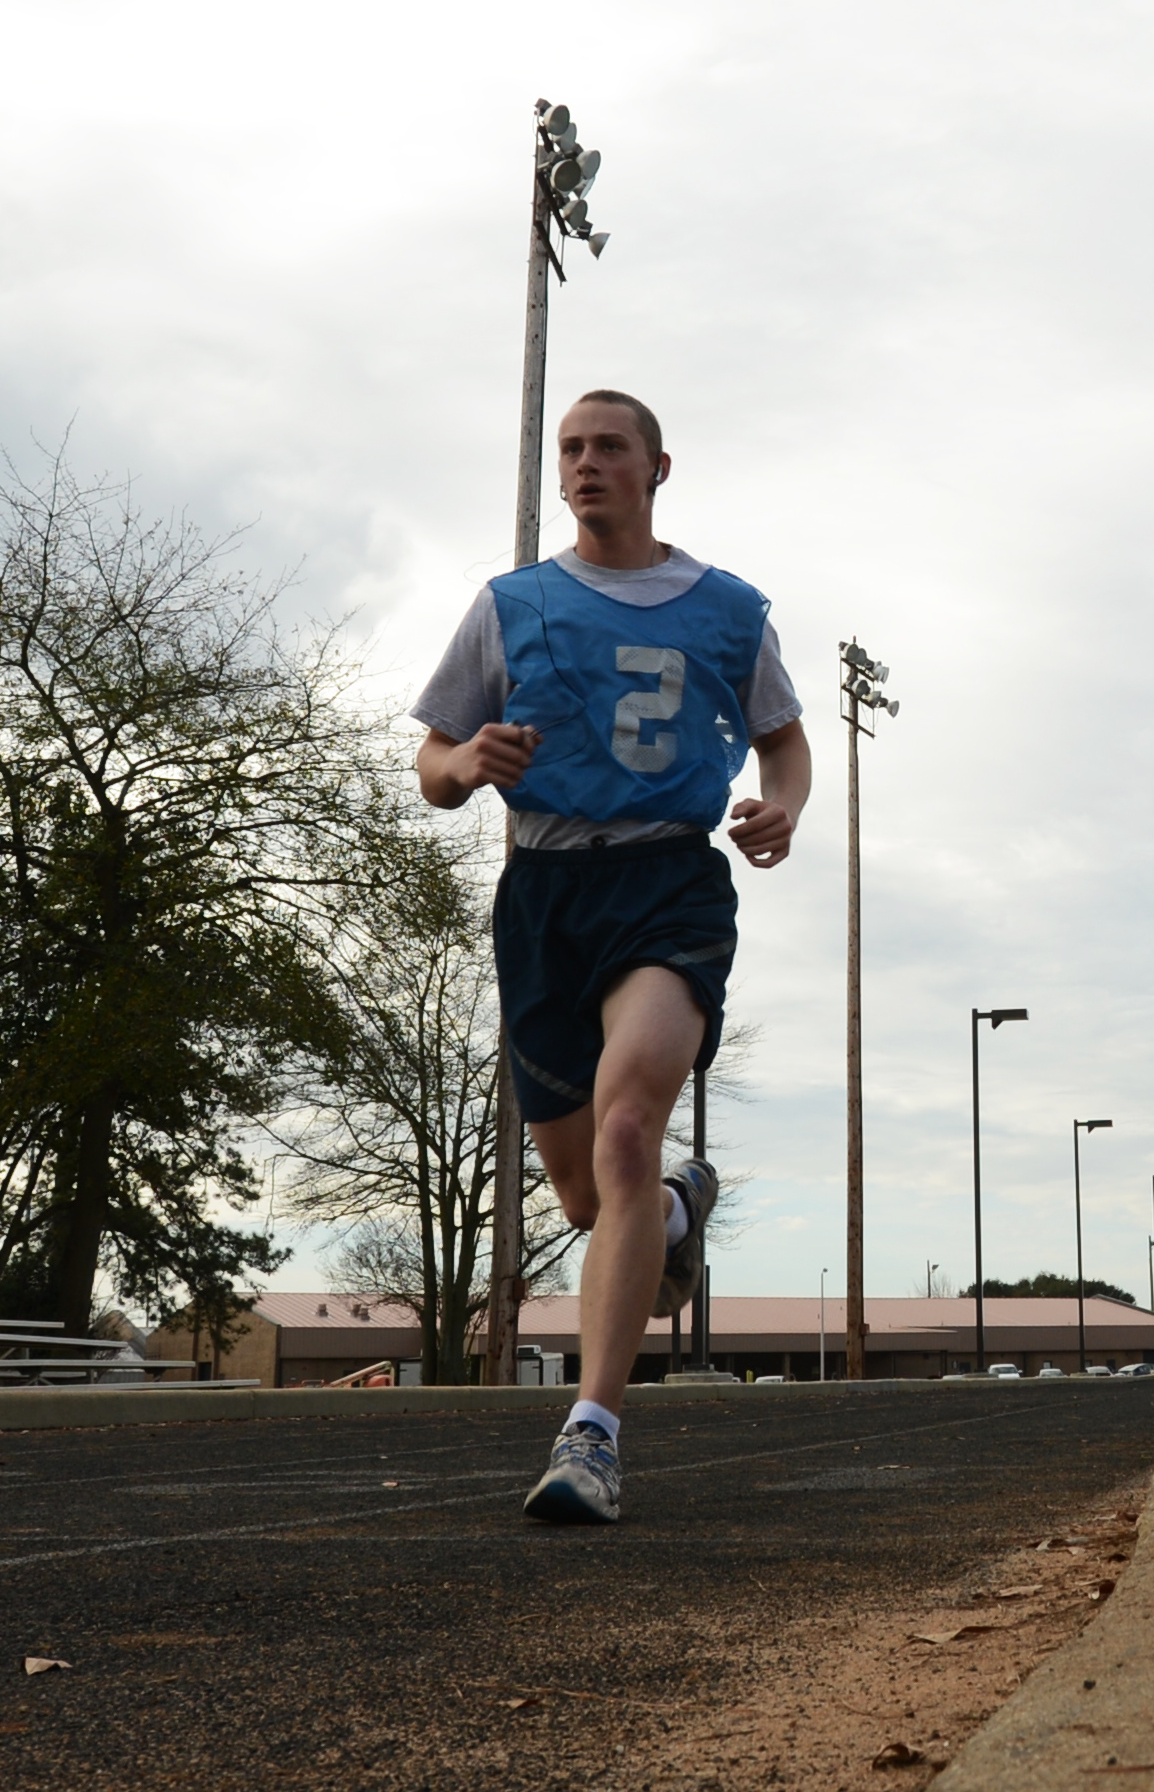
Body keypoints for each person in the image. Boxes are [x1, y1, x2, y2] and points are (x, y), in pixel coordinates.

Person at [414, 389, 812, 1521]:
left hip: (667, 882)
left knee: (630, 1125)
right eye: (571, 449)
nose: (586, 464)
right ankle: (674, 1216)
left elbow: (784, 742)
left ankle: (591, 1436)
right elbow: (433, 762)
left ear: (657, 468)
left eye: (608, 447)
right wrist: (466, 764)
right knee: (593, 1198)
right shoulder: (512, 604)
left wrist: (782, 807)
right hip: (545, 895)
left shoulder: (729, 609)